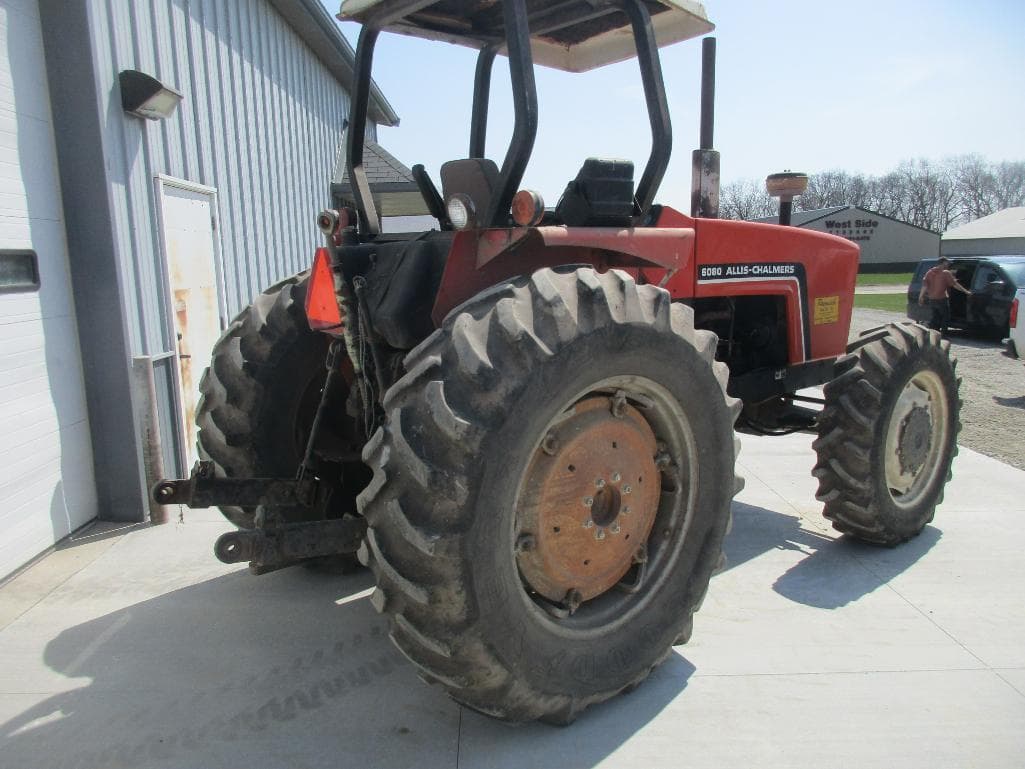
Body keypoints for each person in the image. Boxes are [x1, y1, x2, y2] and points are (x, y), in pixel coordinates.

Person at [918, 257, 971, 334]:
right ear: (942, 263)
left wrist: (921, 296)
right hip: (942, 298)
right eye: (947, 263)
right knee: (945, 317)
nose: (948, 264)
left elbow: (925, 286)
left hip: (932, 298)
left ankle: (934, 333)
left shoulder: (929, 272)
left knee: (935, 317)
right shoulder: (945, 273)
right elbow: (955, 285)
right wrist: (966, 291)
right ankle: (944, 334)